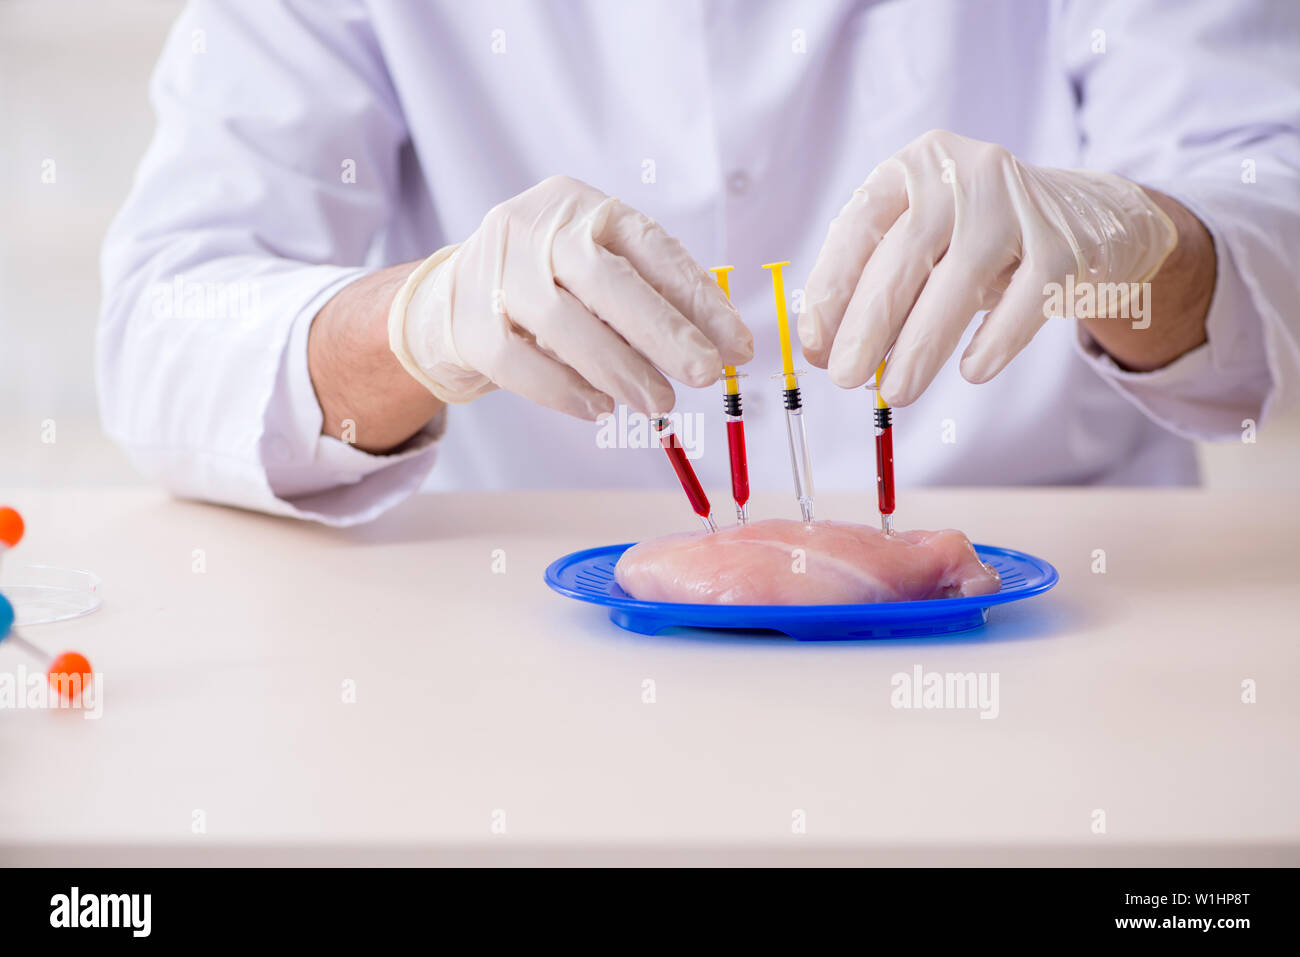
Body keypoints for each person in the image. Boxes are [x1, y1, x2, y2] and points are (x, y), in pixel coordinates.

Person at [99, 0, 1299, 526]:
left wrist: (1148, 246)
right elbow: (165, 322)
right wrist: (414, 324)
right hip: (518, 651)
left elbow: (1268, 204)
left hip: (1062, 635)